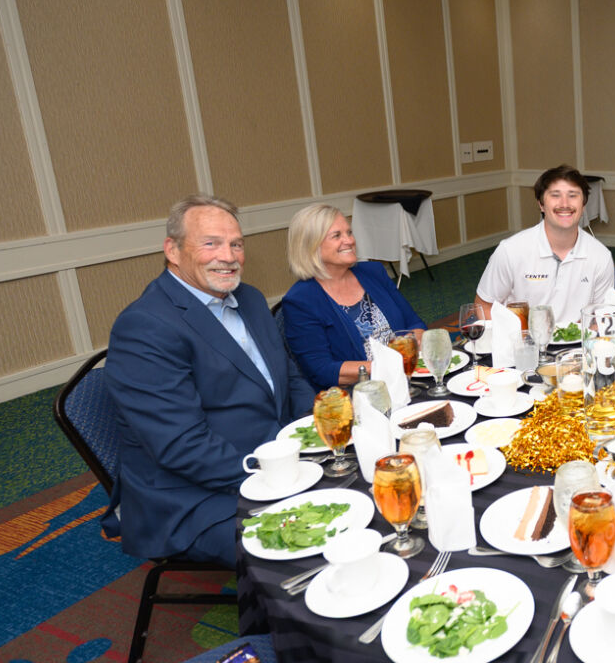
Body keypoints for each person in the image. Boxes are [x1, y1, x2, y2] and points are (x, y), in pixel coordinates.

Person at [107, 195, 312, 565]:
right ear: (172, 250)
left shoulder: (248, 298)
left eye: (236, 244)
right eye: (211, 243)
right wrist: (274, 475)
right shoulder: (145, 327)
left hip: (273, 454)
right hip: (193, 497)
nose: (228, 256)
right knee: (312, 544)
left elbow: (289, 375)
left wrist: (319, 432)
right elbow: (182, 445)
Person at [281, 202, 425, 389]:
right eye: (337, 236)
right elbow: (322, 370)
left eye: (349, 233)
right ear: (311, 246)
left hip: (407, 377)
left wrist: (408, 353)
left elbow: (414, 323)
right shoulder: (301, 300)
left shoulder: (373, 272)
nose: (349, 240)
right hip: (361, 392)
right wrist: (385, 367)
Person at [475, 165, 615, 327]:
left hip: (578, 341)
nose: (564, 203)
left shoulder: (601, 256)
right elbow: (484, 306)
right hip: (523, 341)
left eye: (573, 195)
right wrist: (515, 336)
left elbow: (602, 317)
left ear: (583, 205)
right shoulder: (511, 251)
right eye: (555, 195)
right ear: (541, 204)